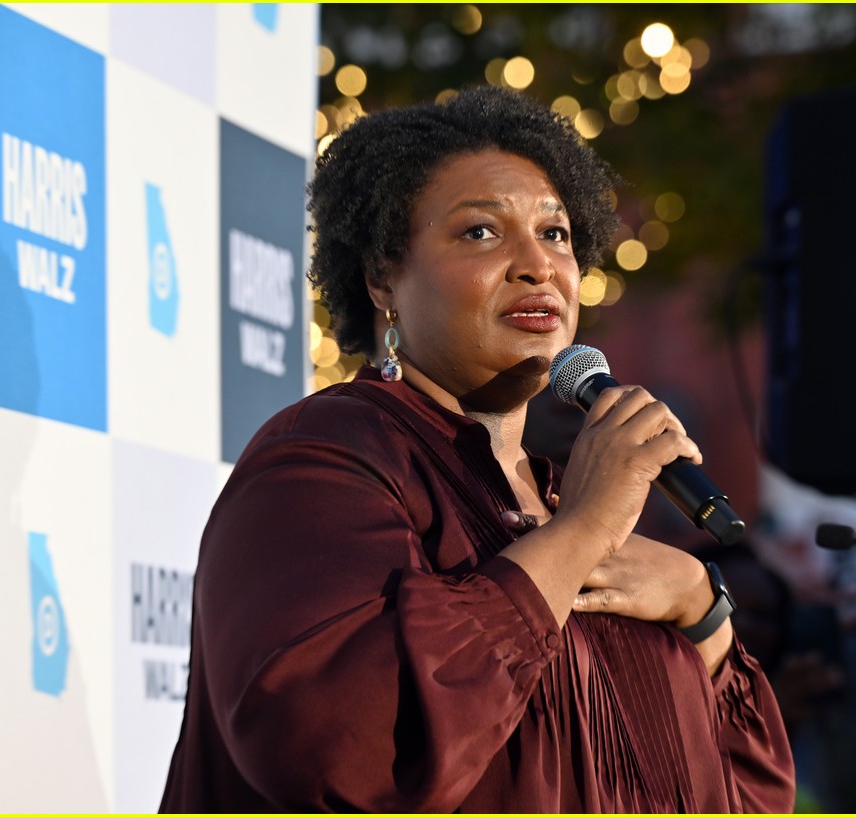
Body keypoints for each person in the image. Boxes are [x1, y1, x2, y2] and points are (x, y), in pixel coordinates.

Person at [159, 86, 794, 813]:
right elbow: (334, 746)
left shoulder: (567, 500)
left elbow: (745, 796)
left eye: (555, 234)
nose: (538, 265)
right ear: (382, 279)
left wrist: (701, 610)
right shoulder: (327, 458)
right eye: (481, 234)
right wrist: (580, 532)